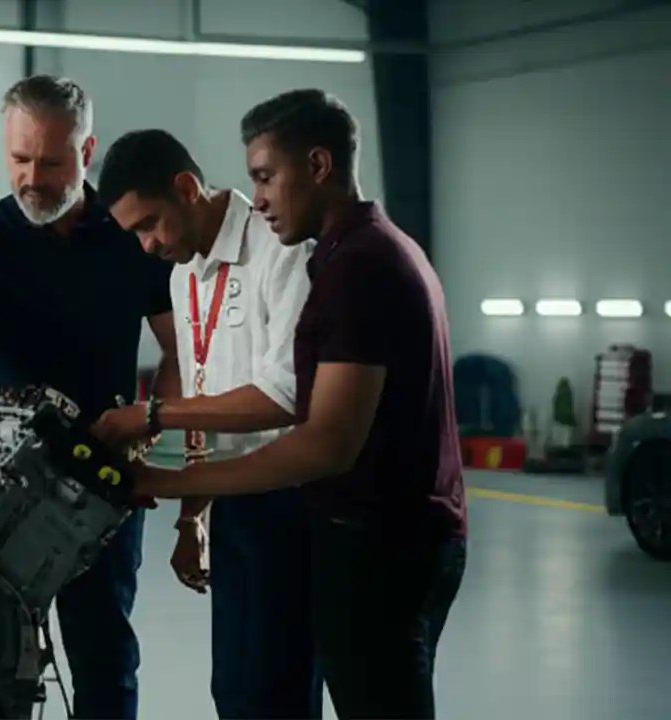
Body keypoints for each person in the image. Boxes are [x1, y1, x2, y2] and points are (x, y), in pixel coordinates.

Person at [132, 88, 468, 719]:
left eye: (265, 177)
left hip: (382, 541)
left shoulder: (359, 265)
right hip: (380, 535)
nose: (256, 198)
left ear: (318, 166)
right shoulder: (365, 251)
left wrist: (166, 461)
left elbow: (323, 442)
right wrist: (194, 510)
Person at [0, 75, 180, 720]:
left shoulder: (133, 238)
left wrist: (152, 420)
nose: (33, 177)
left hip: (102, 477)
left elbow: (185, 348)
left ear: (86, 152)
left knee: (103, 653)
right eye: (20, 159)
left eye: (52, 162)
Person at [91, 129, 321, 719]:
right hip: (234, 505)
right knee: (234, 695)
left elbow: (287, 393)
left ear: (186, 188)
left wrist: (149, 416)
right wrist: (194, 515)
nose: (146, 245)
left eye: (149, 225)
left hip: (294, 504)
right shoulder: (182, 273)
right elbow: (205, 399)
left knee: (278, 694)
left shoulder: (283, 249)